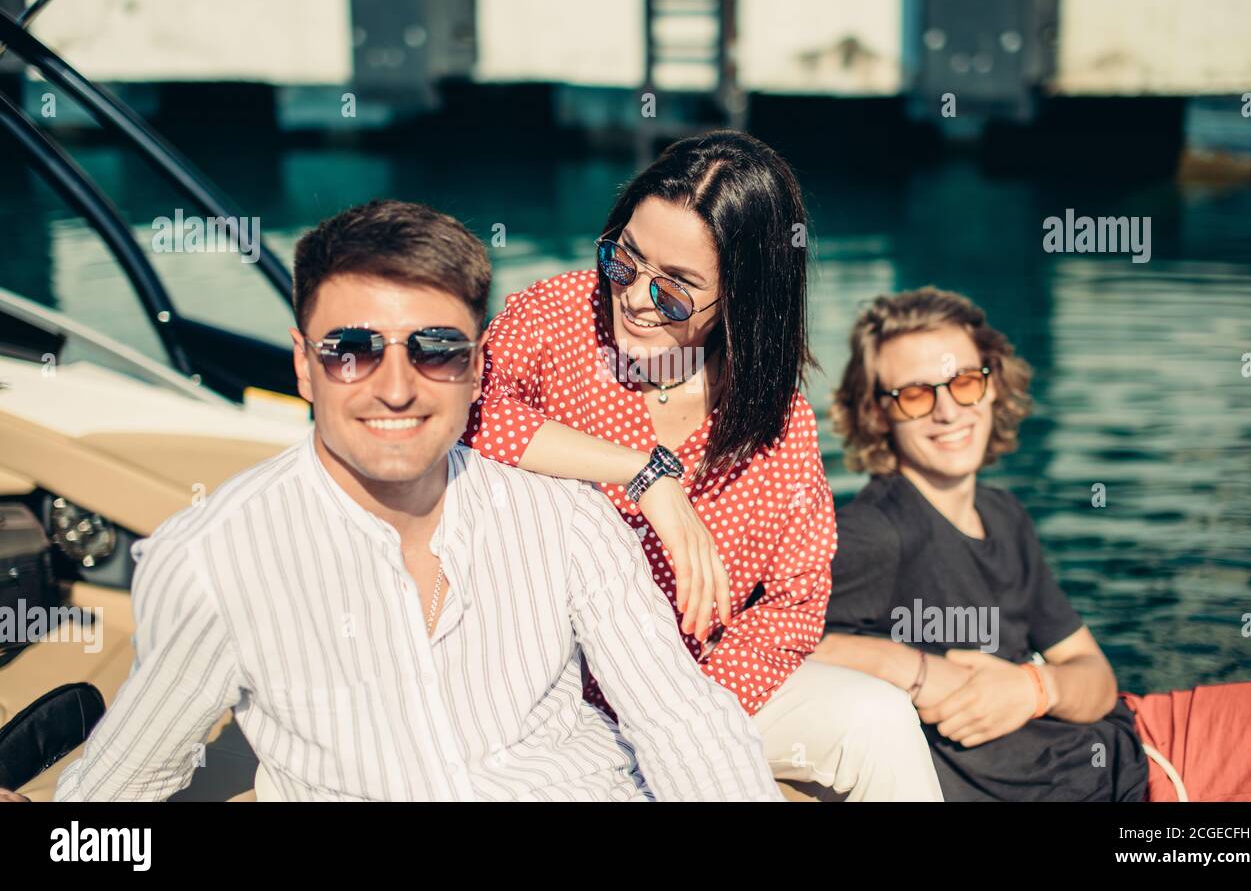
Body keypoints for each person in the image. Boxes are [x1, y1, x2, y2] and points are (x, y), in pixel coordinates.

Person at [1, 200, 782, 802]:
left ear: (478, 370)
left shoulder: (569, 522)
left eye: (437, 349)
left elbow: (683, 723)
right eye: (352, 350)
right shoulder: (215, 560)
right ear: (303, 366)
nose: (398, 386)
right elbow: (123, 788)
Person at [459, 131, 943, 800]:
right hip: (537, 693)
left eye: (676, 290)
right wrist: (645, 475)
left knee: (879, 719)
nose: (633, 297)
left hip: (697, 688)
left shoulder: (778, 420)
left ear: (743, 298)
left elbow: (793, 606)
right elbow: (465, 419)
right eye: (624, 259)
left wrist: (691, 717)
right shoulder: (559, 318)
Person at [815, 286, 1251, 801]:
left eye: (963, 382)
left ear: (993, 385)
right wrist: (915, 672)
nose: (948, 411)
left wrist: (1032, 689)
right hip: (1125, 784)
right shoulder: (878, 531)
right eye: (914, 394)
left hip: (1140, 743)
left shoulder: (1004, 515)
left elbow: (1097, 678)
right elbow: (765, 645)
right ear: (875, 413)